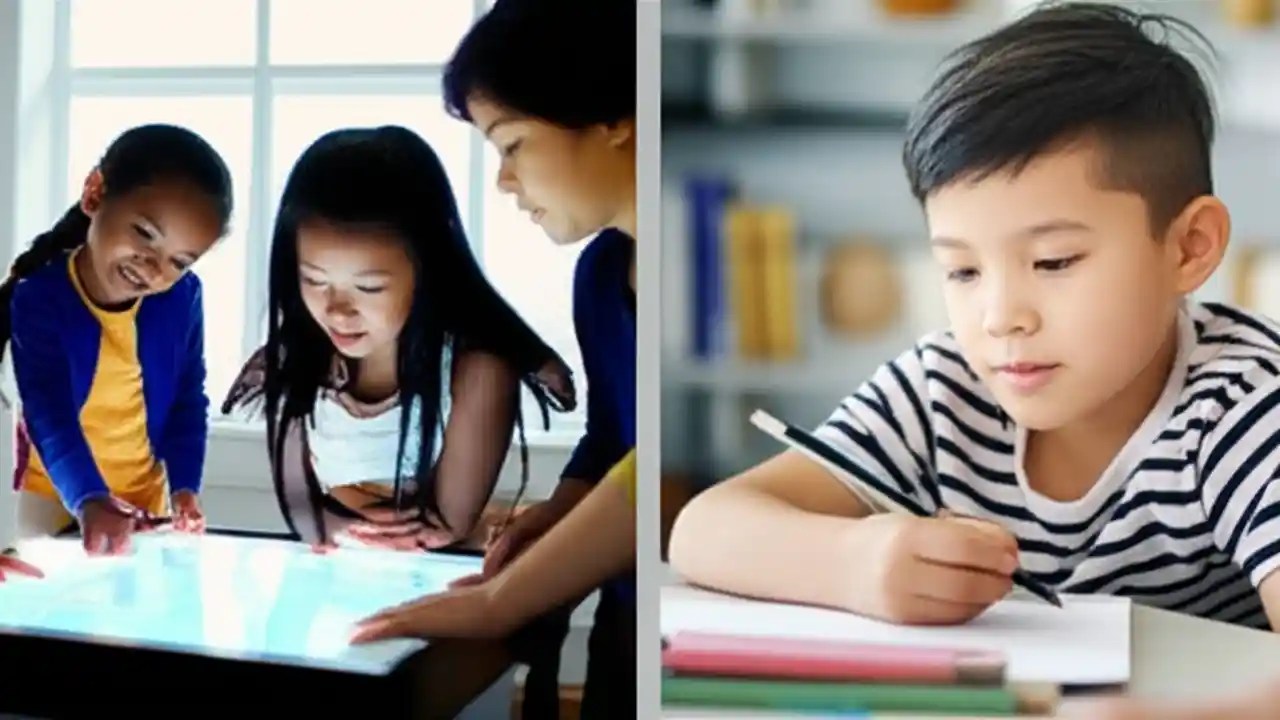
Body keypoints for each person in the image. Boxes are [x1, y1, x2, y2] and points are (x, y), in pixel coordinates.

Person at [670, 2, 1280, 632]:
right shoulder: (945, 389)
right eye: (963, 271)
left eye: (1053, 261)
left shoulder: (1241, 402)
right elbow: (701, 530)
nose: (1000, 318)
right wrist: (855, 562)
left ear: (1189, 247)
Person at [355, 1, 638, 717]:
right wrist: (559, 515)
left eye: (511, 145)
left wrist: (504, 601)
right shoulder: (604, 273)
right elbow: (614, 439)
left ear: (614, 117)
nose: (505, 183)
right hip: (628, 619)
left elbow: (665, 471)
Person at [220, 125, 575, 553]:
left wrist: (352, 512)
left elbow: (447, 524)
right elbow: (300, 507)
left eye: (368, 288)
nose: (337, 310)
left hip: (442, 583)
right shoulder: (293, 361)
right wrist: (336, 526)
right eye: (313, 280)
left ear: (427, 271)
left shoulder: (477, 370)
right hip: (337, 572)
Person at [4, 123, 232, 557]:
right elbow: (49, 416)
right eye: (144, 234)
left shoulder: (183, 297)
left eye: (179, 261)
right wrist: (89, 498)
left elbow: (188, 399)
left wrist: (185, 487)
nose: (152, 267)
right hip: (52, 495)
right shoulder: (39, 296)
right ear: (94, 194)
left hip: (144, 502)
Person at [349, 449, 635, 640]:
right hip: (622, 611)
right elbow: (610, 434)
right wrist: (559, 509)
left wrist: (498, 602)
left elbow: (660, 468)